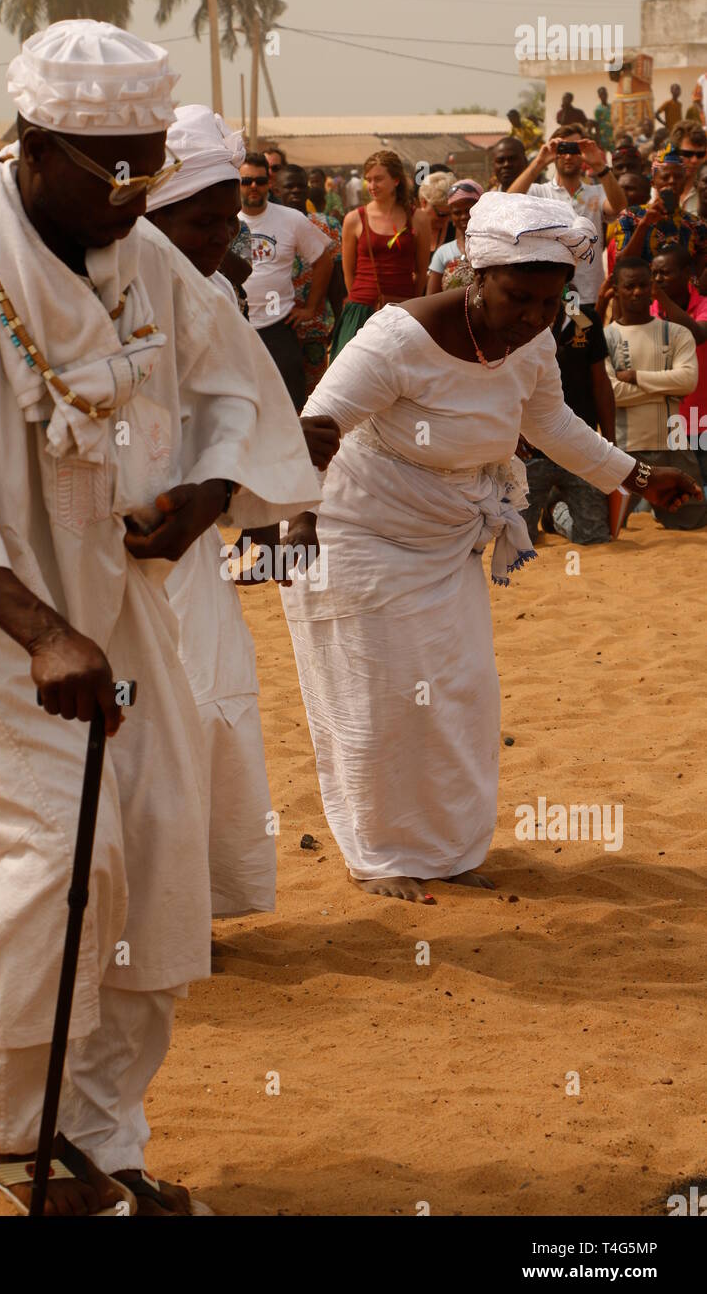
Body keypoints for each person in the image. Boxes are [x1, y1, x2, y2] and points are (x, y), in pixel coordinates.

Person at [0, 21, 321, 1218]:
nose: (130, 188)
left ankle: (100, 1139)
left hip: (130, 620)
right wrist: (43, 630)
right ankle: (7, 1138)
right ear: (33, 144)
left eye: (145, 161)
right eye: (105, 163)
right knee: (57, 870)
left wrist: (208, 494)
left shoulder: (142, 255)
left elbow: (231, 390)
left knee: (154, 858)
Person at [277, 193, 697, 903]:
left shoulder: (532, 343)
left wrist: (639, 476)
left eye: (549, 301)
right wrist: (294, 514)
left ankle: (445, 850)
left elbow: (555, 424)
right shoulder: (396, 338)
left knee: (458, 693)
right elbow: (318, 425)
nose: (535, 318)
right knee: (378, 700)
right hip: (356, 532)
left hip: (446, 537)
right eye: (519, 298)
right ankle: (382, 856)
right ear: (475, 276)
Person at [146, 105, 340, 920]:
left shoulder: (211, 285)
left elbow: (226, 408)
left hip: (187, 553)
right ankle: (148, 916)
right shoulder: (94, 287)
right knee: (148, 727)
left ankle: (190, 911)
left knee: (206, 711)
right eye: (204, 220)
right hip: (111, 546)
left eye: (231, 219)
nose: (223, 237)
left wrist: (275, 449)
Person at [605, 254, 707, 528]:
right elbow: (612, 393)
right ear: (617, 289)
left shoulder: (677, 334)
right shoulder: (606, 338)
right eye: (629, 286)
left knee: (694, 522)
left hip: (673, 445)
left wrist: (636, 377)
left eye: (642, 285)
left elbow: (687, 382)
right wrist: (666, 390)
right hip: (626, 449)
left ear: (652, 287)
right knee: (606, 527)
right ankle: (556, 508)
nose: (637, 292)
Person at [239, 152, 333, 409]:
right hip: (236, 326)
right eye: (246, 181)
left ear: (270, 183)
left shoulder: (290, 219)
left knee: (290, 404)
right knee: (241, 402)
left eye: (260, 180)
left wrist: (311, 308)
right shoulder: (226, 221)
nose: (254, 187)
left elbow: (323, 260)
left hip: (277, 326)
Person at [522, 290, 617, 545]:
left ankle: (555, 512)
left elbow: (600, 383)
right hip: (532, 455)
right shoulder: (519, 321)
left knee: (594, 536)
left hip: (579, 449)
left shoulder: (586, 319)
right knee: (518, 539)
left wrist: (610, 444)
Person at [507, 125, 626, 306]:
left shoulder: (597, 192)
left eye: (574, 149)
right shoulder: (538, 192)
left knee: (586, 333)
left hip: (590, 294)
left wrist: (599, 165)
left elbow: (619, 207)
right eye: (562, 149)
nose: (568, 156)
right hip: (551, 296)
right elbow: (507, 202)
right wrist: (539, 162)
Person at [330, 149, 427, 360]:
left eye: (379, 179)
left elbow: (421, 271)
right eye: (369, 180)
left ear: (396, 180)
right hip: (361, 312)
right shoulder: (354, 219)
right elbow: (349, 273)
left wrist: (409, 301)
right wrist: (364, 298)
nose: (372, 186)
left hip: (403, 311)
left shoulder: (418, 219)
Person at [276, 164, 343, 388]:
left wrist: (339, 319)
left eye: (300, 186)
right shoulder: (269, 224)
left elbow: (336, 277)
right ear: (277, 190)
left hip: (315, 325)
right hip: (276, 326)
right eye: (289, 186)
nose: (296, 191)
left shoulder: (328, 226)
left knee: (315, 391)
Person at [650, 243, 707, 488]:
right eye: (653, 274)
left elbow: (696, 334)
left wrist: (660, 297)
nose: (658, 279)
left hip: (702, 418)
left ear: (687, 274)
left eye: (665, 273)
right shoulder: (648, 309)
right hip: (666, 421)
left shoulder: (704, 305)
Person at [611, 142, 707, 268]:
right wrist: (644, 225)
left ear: (684, 182)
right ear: (653, 182)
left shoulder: (696, 225)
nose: (672, 181)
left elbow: (696, 277)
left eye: (678, 177)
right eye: (665, 177)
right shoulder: (629, 216)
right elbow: (622, 264)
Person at [425, 179, 483, 294]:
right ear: (451, 216)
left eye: (469, 210)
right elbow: (431, 298)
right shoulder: (443, 253)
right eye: (457, 212)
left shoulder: (493, 248)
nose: (463, 217)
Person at [669, 121, 707, 214]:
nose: (694, 160)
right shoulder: (657, 190)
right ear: (674, 152)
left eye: (700, 154)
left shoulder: (704, 191)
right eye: (687, 154)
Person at [417, 170, 456, 255]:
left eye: (451, 214)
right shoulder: (410, 229)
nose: (446, 219)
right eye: (441, 214)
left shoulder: (455, 230)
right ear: (424, 202)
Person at [594, 86, 615, 152]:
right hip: (602, 137)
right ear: (599, 96)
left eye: (605, 94)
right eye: (601, 94)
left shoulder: (612, 107)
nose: (604, 96)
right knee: (603, 158)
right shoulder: (598, 109)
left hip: (612, 135)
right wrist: (598, 139)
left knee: (614, 154)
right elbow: (596, 124)